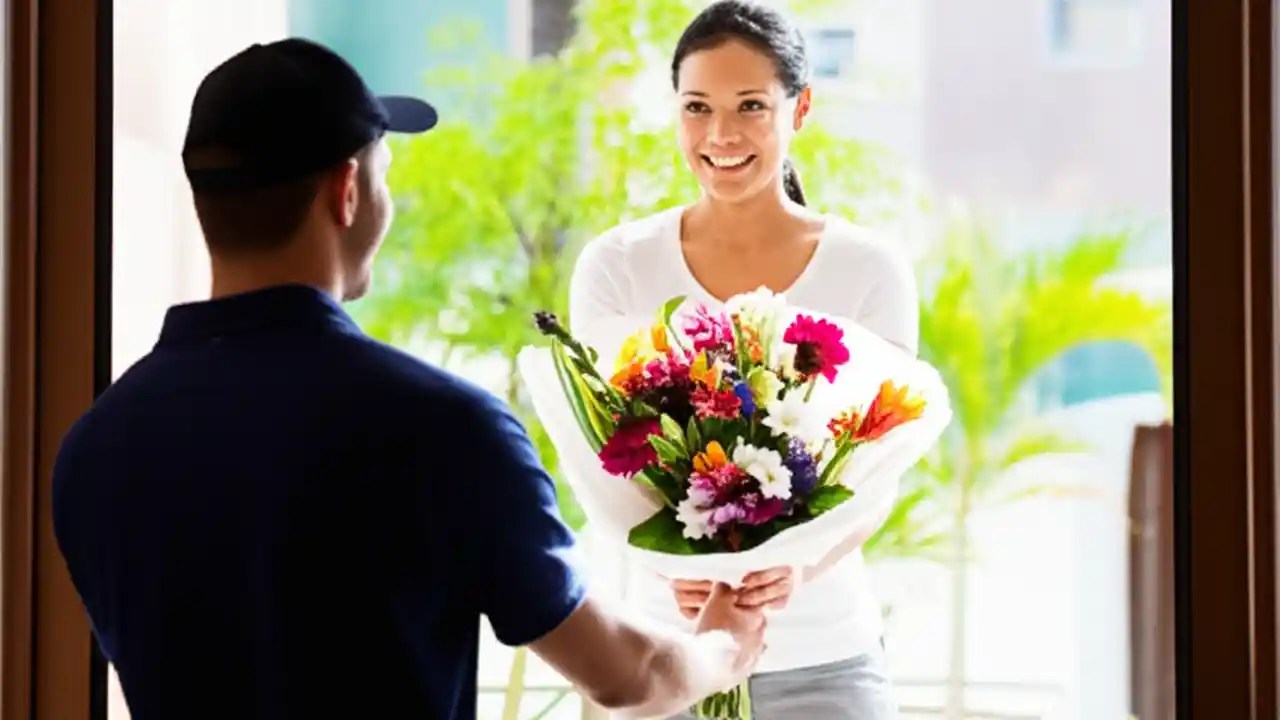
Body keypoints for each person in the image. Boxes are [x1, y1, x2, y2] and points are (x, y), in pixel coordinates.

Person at [52, 38, 766, 720]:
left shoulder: (94, 448)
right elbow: (625, 675)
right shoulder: (441, 430)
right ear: (348, 192)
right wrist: (723, 648)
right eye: (384, 175)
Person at [568, 2, 919, 718]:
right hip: (660, 657)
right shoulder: (617, 266)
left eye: (751, 106)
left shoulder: (869, 269)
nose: (721, 135)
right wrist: (674, 565)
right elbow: (608, 457)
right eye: (697, 107)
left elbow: (877, 476)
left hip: (823, 660)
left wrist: (794, 567)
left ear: (802, 108)